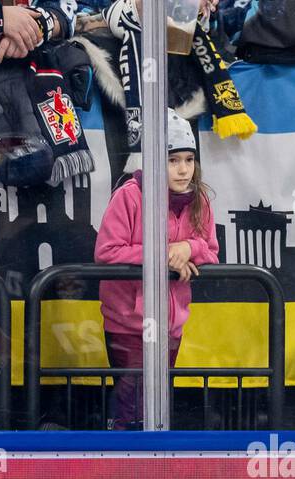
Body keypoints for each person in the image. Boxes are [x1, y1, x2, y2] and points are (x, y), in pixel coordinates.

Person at [94, 110, 219, 430]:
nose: (183, 169)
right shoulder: (129, 197)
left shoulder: (199, 201)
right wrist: (163, 255)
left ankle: (148, 470)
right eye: (173, 159)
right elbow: (107, 252)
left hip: (170, 324)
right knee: (131, 407)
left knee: (157, 405)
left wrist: (189, 248)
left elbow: (211, 250)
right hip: (128, 322)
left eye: (189, 159)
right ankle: (122, 467)